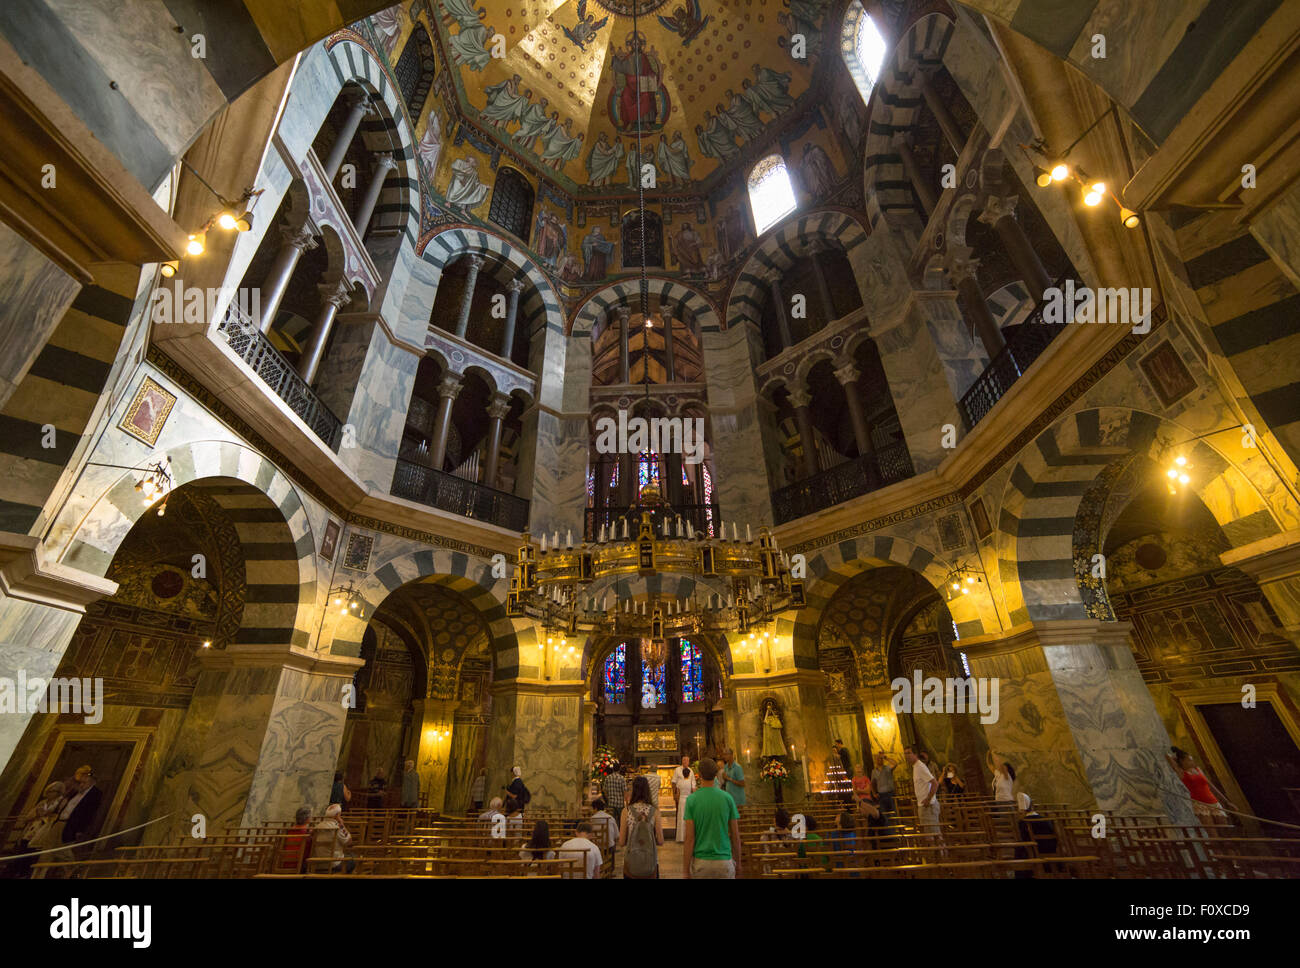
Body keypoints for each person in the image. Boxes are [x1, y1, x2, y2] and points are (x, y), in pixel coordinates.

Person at [683, 757, 742, 878]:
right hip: (724, 861)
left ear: (699, 775)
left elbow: (689, 838)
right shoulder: (727, 798)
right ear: (715, 774)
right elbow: (735, 836)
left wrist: (685, 870)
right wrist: (739, 864)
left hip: (701, 862)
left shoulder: (692, 800)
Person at [1166, 747, 1233, 827]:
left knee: (1225, 828)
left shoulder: (1198, 769)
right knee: (1213, 833)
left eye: (1192, 760)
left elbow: (1211, 785)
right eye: (1189, 760)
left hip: (1213, 802)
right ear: (1182, 761)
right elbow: (1167, 756)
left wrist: (1226, 801)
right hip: (1199, 804)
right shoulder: (1181, 772)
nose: (1192, 762)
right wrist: (1177, 759)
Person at [10, 781, 65, 877]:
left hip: (44, 831)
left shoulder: (59, 803)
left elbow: (54, 816)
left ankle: (26, 874)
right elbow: (29, 816)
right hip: (32, 829)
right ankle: (18, 872)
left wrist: (45, 814)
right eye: (48, 791)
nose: (49, 793)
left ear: (58, 792)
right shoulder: (42, 802)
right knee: (23, 850)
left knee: (33, 854)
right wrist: (37, 814)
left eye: (52, 791)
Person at [619, 774, 663, 878]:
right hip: (650, 862)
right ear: (647, 791)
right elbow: (660, 841)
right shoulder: (654, 811)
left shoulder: (626, 811)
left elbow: (621, 842)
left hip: (631, 863)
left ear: (633, 791)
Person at [1013, 792, 1060, 878]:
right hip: (1051, 850)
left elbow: (1025, 841)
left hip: (1034, 852)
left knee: (1019, 848)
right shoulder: (1046, 820)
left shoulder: (1023, 822)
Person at [60, 765, 104, 850]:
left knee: (64, 851)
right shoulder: (76, 791)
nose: (81, 784)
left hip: (72, 827)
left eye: (84, 782)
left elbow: (89, 813)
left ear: (92, 781)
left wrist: (80, 830)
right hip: (61, 822)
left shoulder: (95, 794)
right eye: (80, 782)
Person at [905, 745, 941, 838]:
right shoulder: (916, 767)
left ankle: (941, 852)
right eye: (905, 753)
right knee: (929, 835)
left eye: (909, 753)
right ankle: (939, 852)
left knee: (933, 835)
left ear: (915, 754)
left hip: (928, 807)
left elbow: (935, 784)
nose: (906, 755)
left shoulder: (920, 766)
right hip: (924, 806)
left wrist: (928, 799)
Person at [314, 804, 355, 873]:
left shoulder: (317, 826)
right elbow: (349, 842)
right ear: (337, 815)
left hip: (317, 863)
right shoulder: (337, 827)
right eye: (340, 815)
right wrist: (343, 826)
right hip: (333, 863)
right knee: (353, 858)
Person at [278, 807, 313, 874]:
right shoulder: (306, 833)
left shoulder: (288, 831)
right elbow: (308, 852)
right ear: (307, 819)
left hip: (284, 863)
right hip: (300, 865)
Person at [672, 755, 696, 841]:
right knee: (680, 815)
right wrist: (674, 794)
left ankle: (688, 835)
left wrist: (694, 794)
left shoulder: (691, 771)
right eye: (684, 760)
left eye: (687, 760)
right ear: (682, 761)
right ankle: (680, 837)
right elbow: (674, 782)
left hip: (689, 796)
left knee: (689, 816)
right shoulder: (677, 770)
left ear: (689, 762)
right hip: (680, 796)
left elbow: (693, 783)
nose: (685, 762)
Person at [719, 748, 746, 813]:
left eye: (726, 754)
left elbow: (743, 784)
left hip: (738, 798)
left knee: (741, 819)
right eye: (723, 754)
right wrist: (724, 778)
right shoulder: (725, 767)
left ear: (731, 755)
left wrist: (728, 778)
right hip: (730, 797)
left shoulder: (737, 767)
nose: (724, 756)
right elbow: (726, 781)